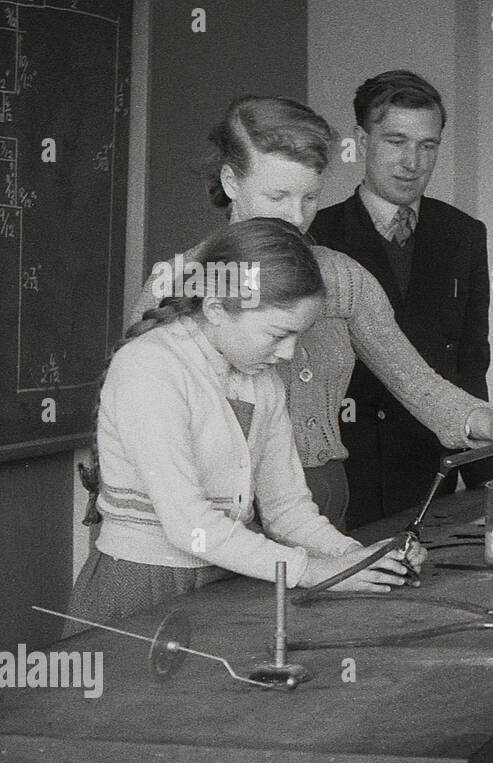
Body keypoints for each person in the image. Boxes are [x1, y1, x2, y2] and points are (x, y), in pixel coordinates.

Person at [131, 96, 493, 531]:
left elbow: (416, 382)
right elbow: (141, 426)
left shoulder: (343, 277)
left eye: (309, 198)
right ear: (231, 181)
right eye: (278, 195)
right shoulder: (184, 281)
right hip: (222, 506)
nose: (295, 217)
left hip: (324, 498)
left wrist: (491, 421)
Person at [71, 219, 424, 625]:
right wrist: (313, 571)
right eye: (278, 334)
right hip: (140, 588)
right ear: (218, 308)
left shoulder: (261, 380)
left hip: (225, 578)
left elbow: (287, 510)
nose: (289, 353)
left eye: (299, 335)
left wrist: (355, 557)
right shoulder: (149, 367)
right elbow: (189, 526)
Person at [311, 71, 493, 528]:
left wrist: (485, 472)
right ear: (362, 141)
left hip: (431, 467)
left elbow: (471, 362)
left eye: (427, 145)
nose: (411, 162)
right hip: (342, 469)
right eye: (396, 141)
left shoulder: (463, 234)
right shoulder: (317, 234)